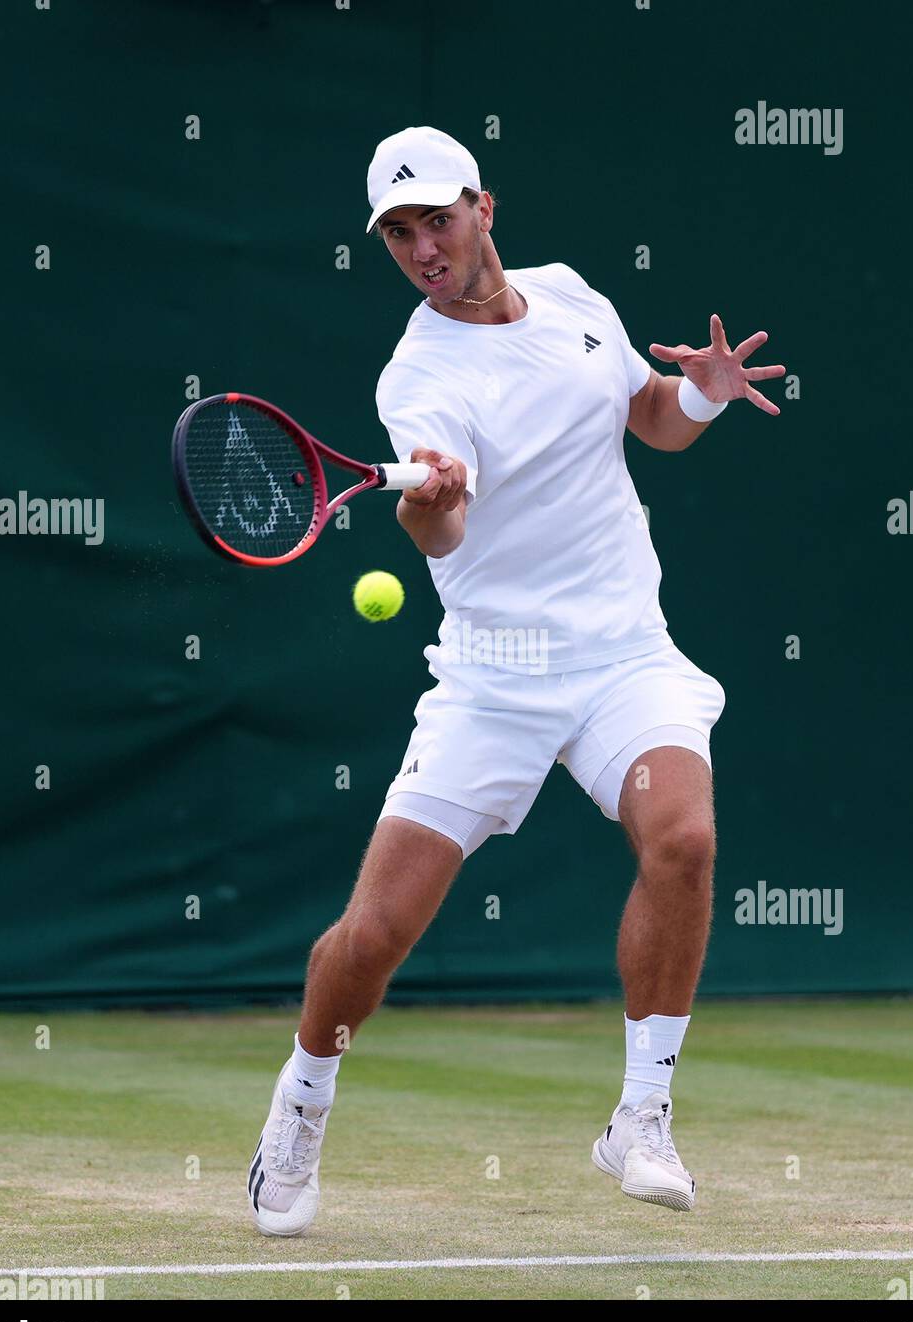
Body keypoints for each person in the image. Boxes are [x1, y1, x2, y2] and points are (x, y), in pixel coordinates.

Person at [247, 126, 784, 1236]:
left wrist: (706, 396)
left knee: (681, 841)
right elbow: (435, 535)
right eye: (397, 232)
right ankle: (301, 1099)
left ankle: (639, 1115)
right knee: (376, 934)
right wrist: (430, 496)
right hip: (494, 676)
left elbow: (648, 419)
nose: (420, 246)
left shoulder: (576, 296)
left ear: (483, 206)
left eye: (434, 219)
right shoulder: (420, 374)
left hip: (625, 651)